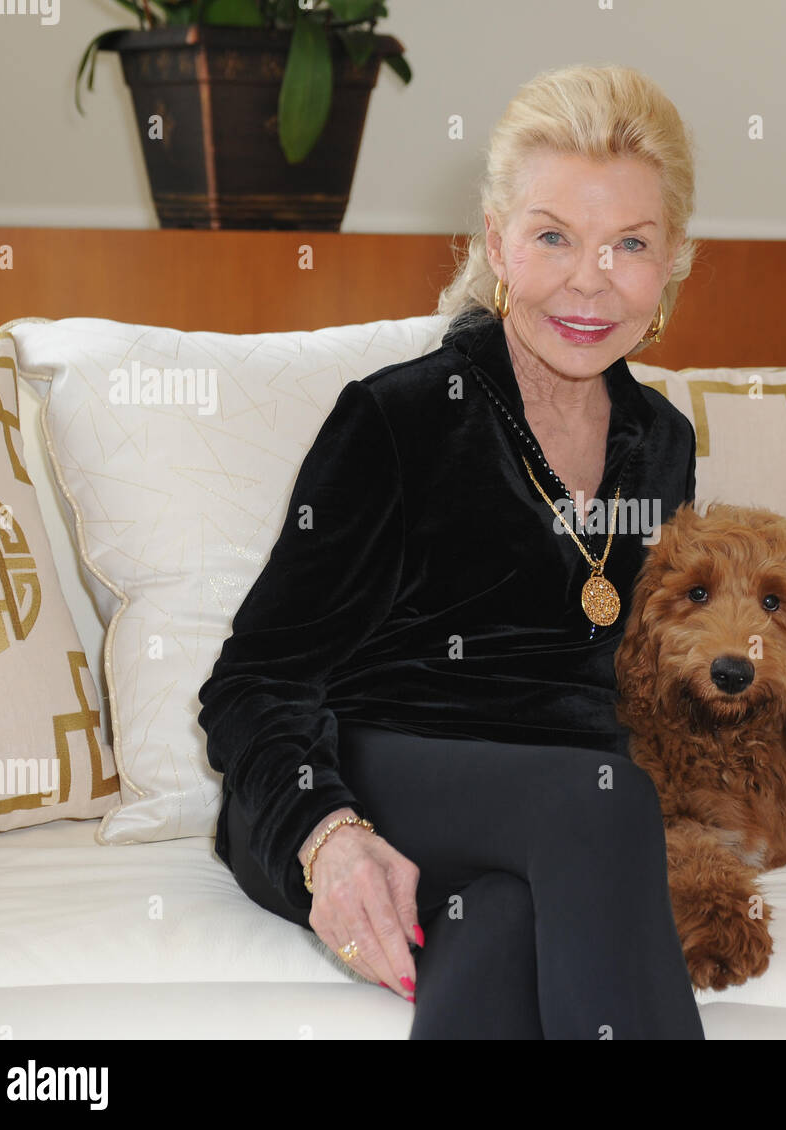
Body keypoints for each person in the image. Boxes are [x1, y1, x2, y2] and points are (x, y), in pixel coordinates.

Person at [196, 63, 704, 1040]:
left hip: (543, 825)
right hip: (364, 775)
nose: (590, 277)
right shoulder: (399, 417)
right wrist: (328, 835)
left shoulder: (663, 440)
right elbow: (254, 681)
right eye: (553, 234)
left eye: (628, 243)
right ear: (496, 244)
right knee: (598, 802)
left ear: (673, 257)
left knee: (502, 919)